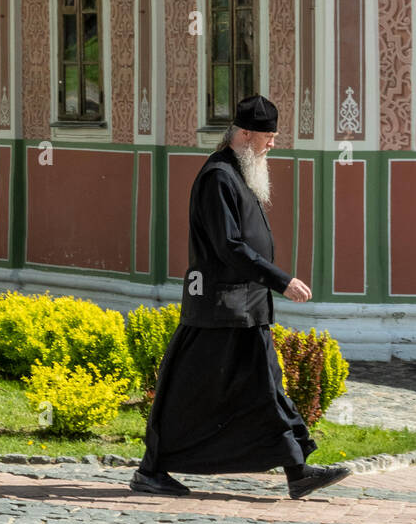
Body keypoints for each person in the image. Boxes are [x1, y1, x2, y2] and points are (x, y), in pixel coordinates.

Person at [130, 94, 351, 501]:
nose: (272, 144)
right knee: (188, 389)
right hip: (218, 307)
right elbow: (230, 247)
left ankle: (297, 471)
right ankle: (151, 470)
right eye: (268, 136)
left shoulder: (239, 175)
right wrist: (280, 280)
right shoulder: (218, 177)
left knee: (267, 387)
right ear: (245, 134)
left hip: (246, 308)